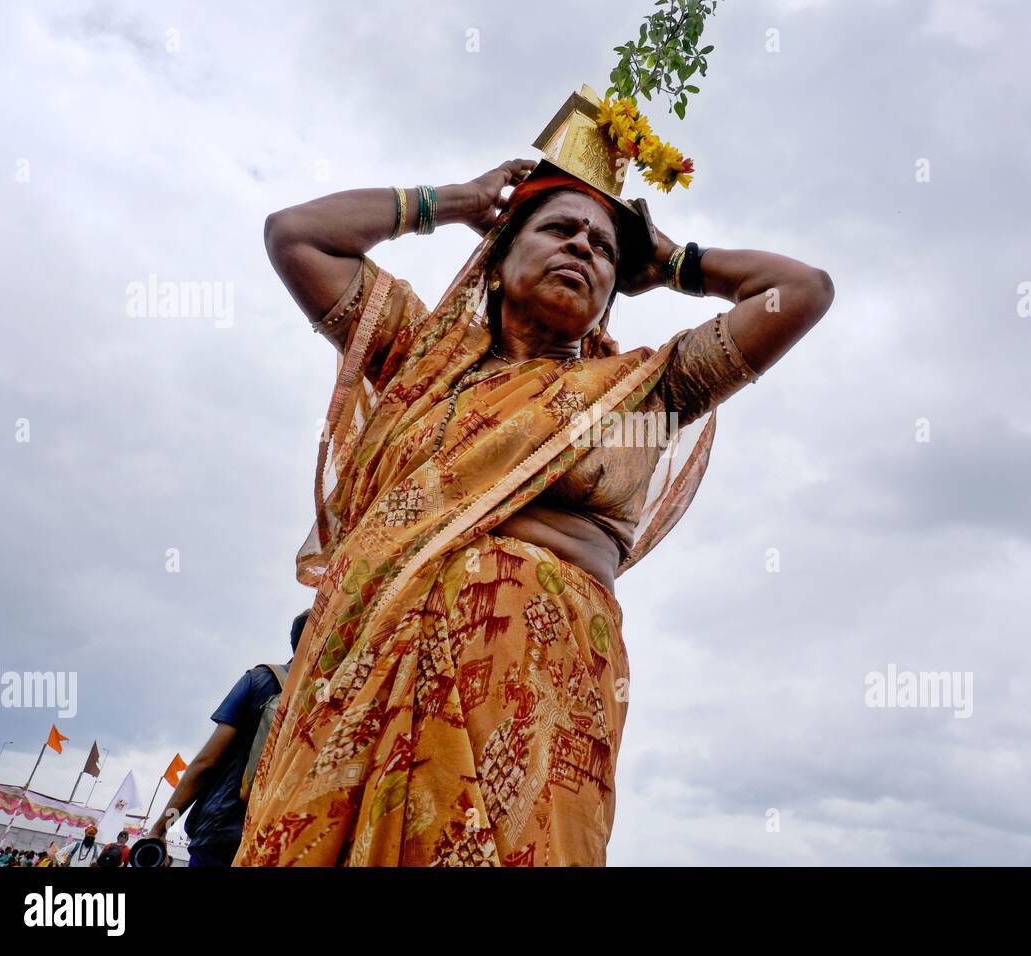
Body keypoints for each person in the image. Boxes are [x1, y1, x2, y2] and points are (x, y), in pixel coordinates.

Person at [235, 147, 832, 867]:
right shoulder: (416, 360)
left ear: (615, 290)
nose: (582, 244)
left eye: (605, 247)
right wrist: (454, 202)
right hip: (367, 685)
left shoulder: (644, 394)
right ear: (495, 261)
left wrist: (673, 260)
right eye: (557, 230)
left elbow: (802, 292)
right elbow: (295, 234)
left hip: (540, 708)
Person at [147, 611, 306, 866]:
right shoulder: (334, 696)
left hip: (221, 831)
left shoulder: (259, 680)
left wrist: (160, 828)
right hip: (283, 837)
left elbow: (206, 763)